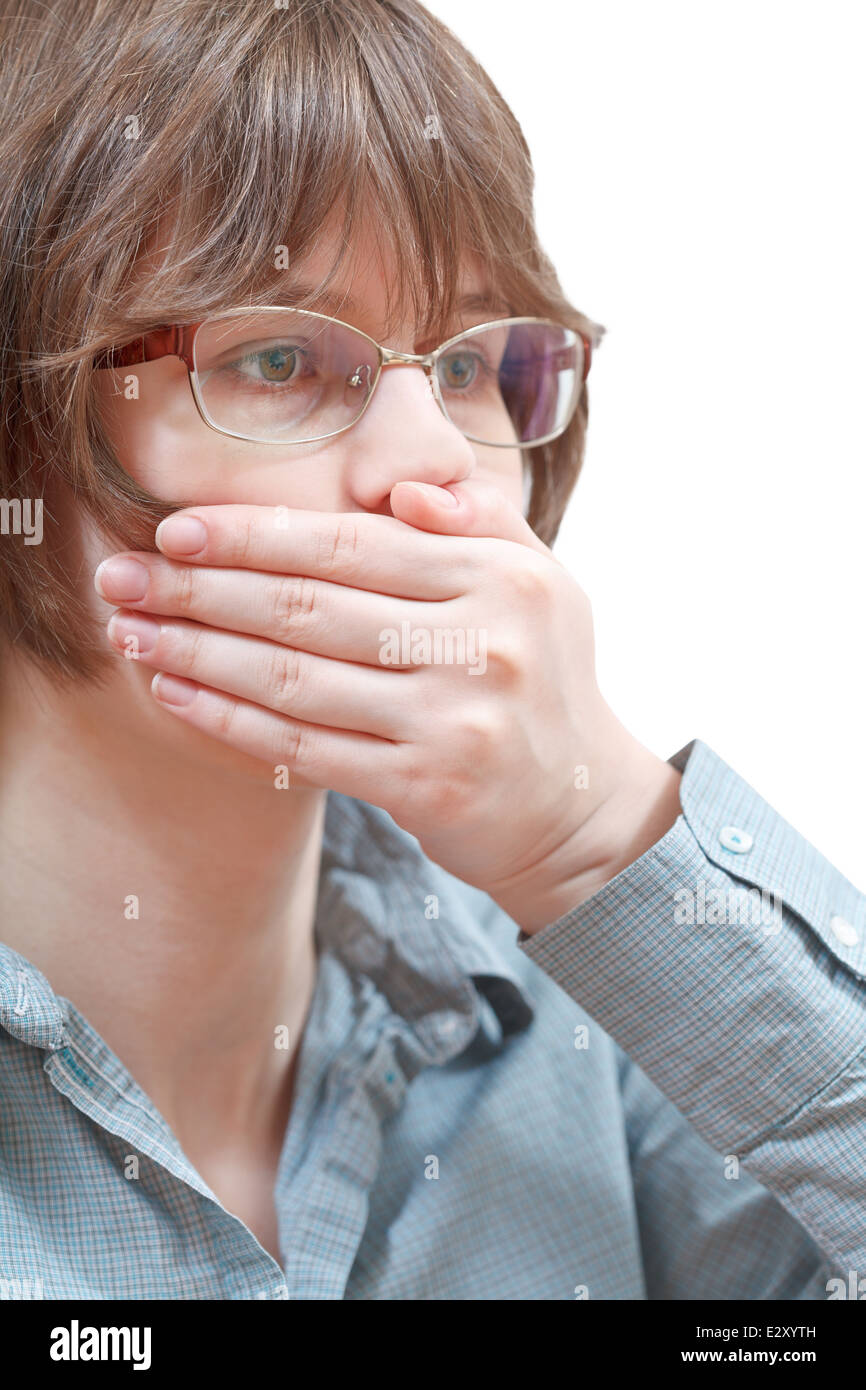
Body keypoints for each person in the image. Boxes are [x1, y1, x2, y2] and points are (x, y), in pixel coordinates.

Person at [0, 0, 862, 1301]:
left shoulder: (602, 1028)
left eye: (466, 369)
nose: (433, 464)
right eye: (278, 355)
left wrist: (599, 838)